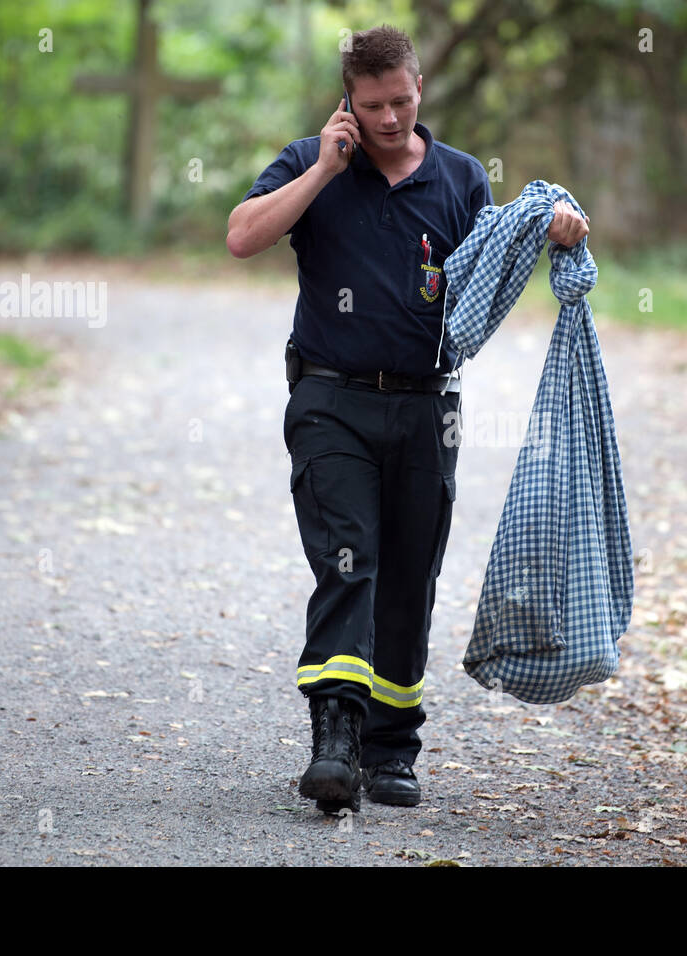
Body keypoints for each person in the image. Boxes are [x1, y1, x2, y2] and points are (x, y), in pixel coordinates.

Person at [225, 25, 588, 813]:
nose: (388, 119)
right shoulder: (310, 162)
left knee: (410, 580)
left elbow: (487, 277)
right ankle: (334, 740)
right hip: (330, 400)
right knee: (348, 561)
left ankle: (392, 749)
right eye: (371, 105)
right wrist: (324, 167)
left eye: (400, 100)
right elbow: (242, 236)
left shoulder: (459, 178)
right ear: (346, 104)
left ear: (419, 88)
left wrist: (549, 226)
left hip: (429, 408)